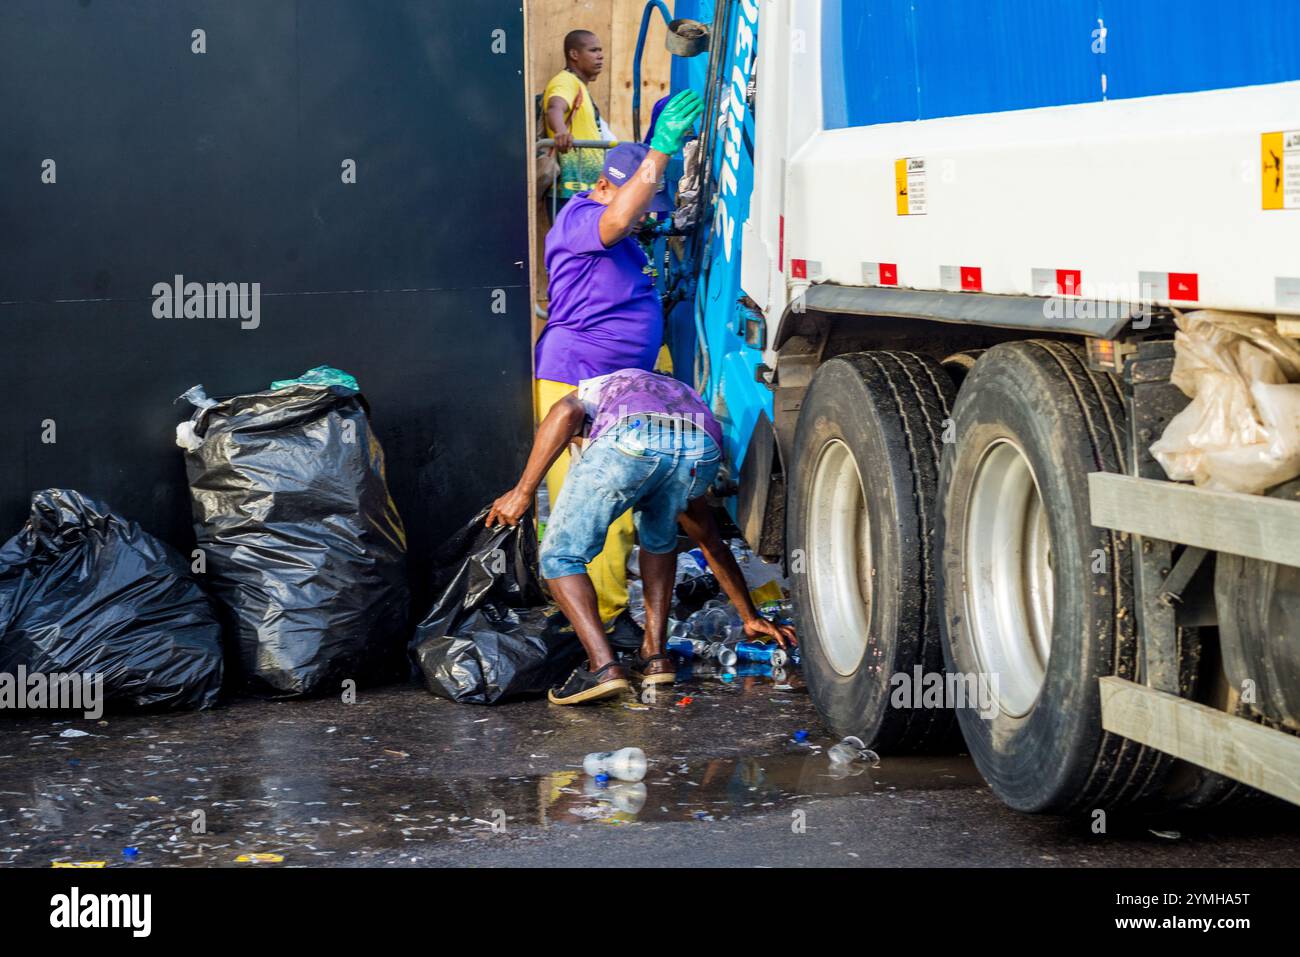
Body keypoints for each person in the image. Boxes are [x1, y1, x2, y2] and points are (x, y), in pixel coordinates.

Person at [488, 368, 797, 705]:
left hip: (629, 440)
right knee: (659, 540)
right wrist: (750, 618)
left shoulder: (595, 392)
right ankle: (655, 656)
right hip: (701, 448)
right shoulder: (672, 396)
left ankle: (603, 667)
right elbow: (711, 543)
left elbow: (566, 413)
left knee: (560, 556)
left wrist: (522, 492)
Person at [534, 90, 704, 648]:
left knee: (624, 509)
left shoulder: (621, 226)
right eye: (639, 204)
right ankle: (602, 626)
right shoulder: (582, 215)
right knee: (593, 501)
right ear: (607, 185)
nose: (643, 221)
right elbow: (619, 218)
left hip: (621, 391)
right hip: (576, 377)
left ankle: (611, 615)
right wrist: (657, 152)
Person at [542, 30, 607, 219]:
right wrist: (561, 132)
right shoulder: (565, 81)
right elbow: (554, 107)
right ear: (574, 55)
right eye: (593, 50)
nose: (600, 56)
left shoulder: (579, 86)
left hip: (585, 191)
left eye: (601, 50)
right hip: (570, 193)